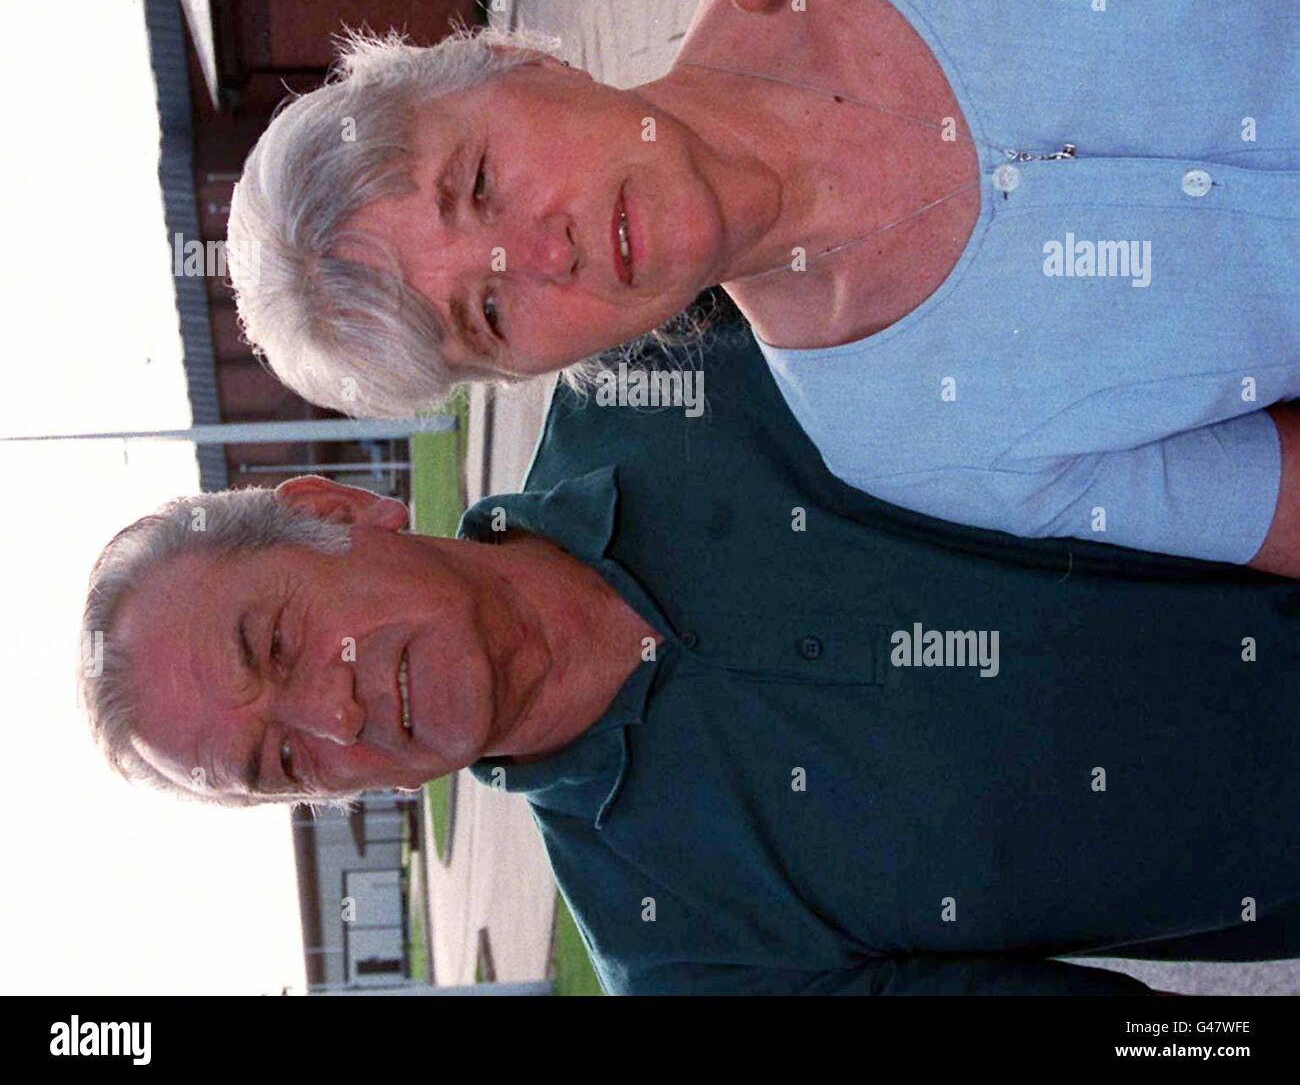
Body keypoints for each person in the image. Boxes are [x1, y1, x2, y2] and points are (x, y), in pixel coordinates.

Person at [225, 0, 1300, 575]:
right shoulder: (903, 437)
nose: (547, 255)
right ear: (530, 371)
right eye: (489, 313)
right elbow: (1273, 502)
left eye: (479, 184)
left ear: (513, 57)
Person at [80, 324, 1300, 995]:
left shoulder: (662, 351)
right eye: (285, 758)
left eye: (279, 643)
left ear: (338, 510)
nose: (335, 711)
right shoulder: (683, 957)